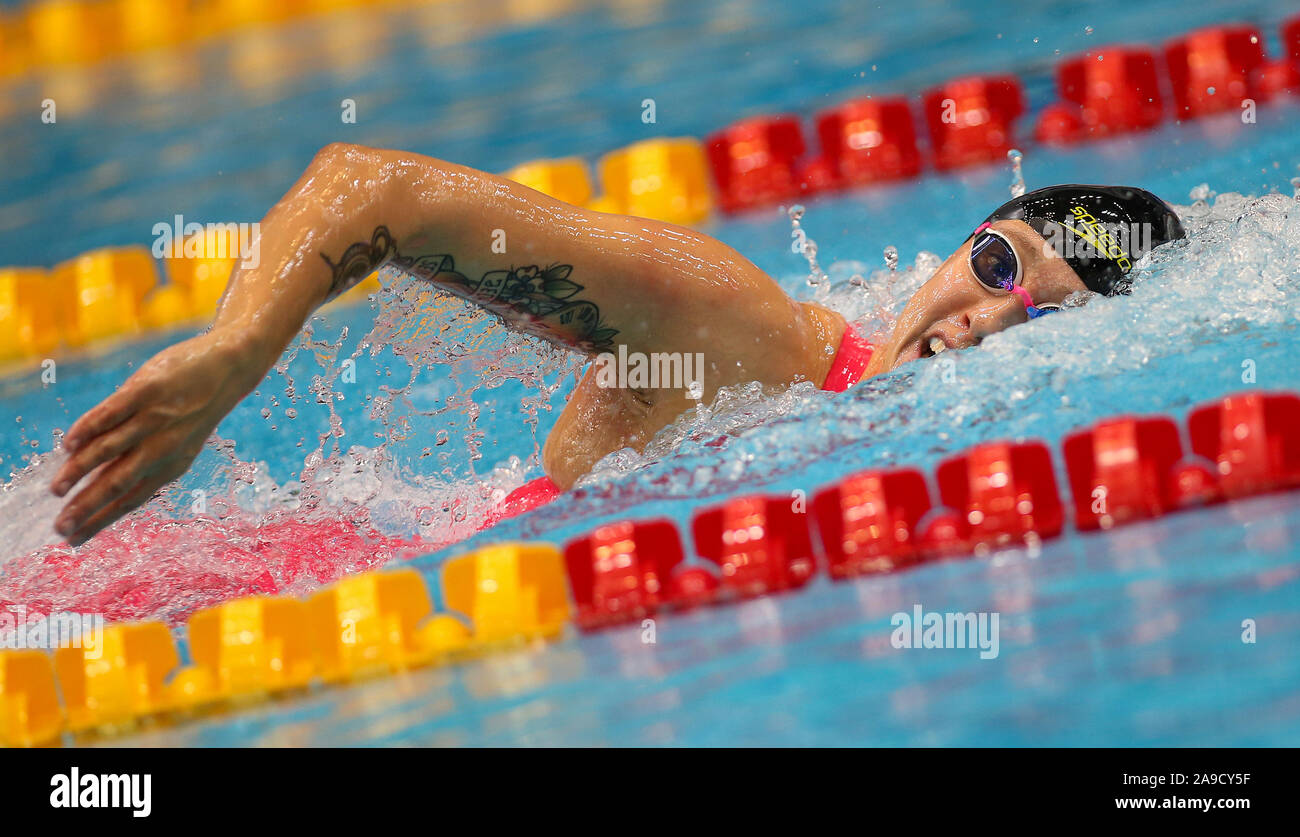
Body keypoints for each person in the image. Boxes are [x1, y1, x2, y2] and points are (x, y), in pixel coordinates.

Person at [48, 143, 1185, 545]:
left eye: (1043, 315)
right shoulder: (749, 336)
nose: (987, 319)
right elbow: (369, 185)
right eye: (996, 269)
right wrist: (236, 357)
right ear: (955, 249)